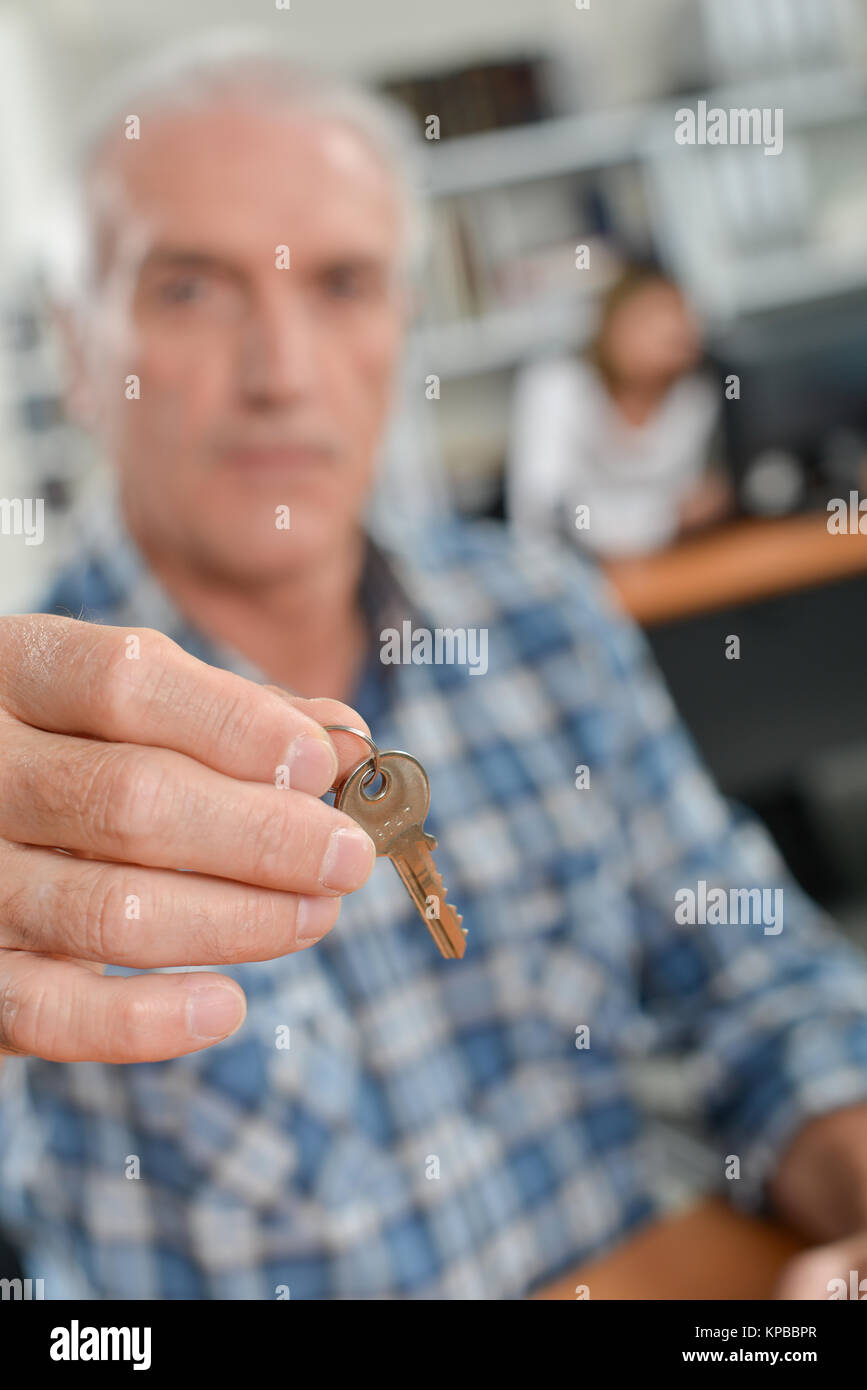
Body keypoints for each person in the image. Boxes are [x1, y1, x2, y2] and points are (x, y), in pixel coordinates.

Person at [1, 36, 867, 1302]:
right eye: (189, 289)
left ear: (405, 325)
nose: (281, 373)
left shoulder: (547, 620)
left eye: (343, 284)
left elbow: (759, 984)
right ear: (79, 349)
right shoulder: (27, 763)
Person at [506, 265, 732, 556]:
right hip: (571, 579)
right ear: (611, 326)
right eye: (651, 318)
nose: (672, 330)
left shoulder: (696, 399)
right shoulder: (557, 387)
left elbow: (700, 500)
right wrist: (664, 517)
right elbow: (546, 514)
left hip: (670, 566)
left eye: (680, 317)